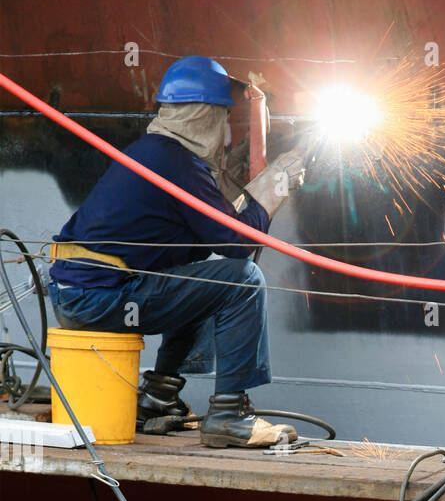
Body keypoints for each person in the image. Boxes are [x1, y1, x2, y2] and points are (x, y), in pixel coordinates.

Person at [46, 55, 304, 448]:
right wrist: (273, 191)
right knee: (242, 282)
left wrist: (243, 196)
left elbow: (209, 235)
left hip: (82, 294)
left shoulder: (157, 152)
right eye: (223, 119)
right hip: (99, 298)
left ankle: (157, 397)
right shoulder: (177, 165)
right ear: (208, 116)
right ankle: (229, 414)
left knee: (198, 277)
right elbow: (239, 244)